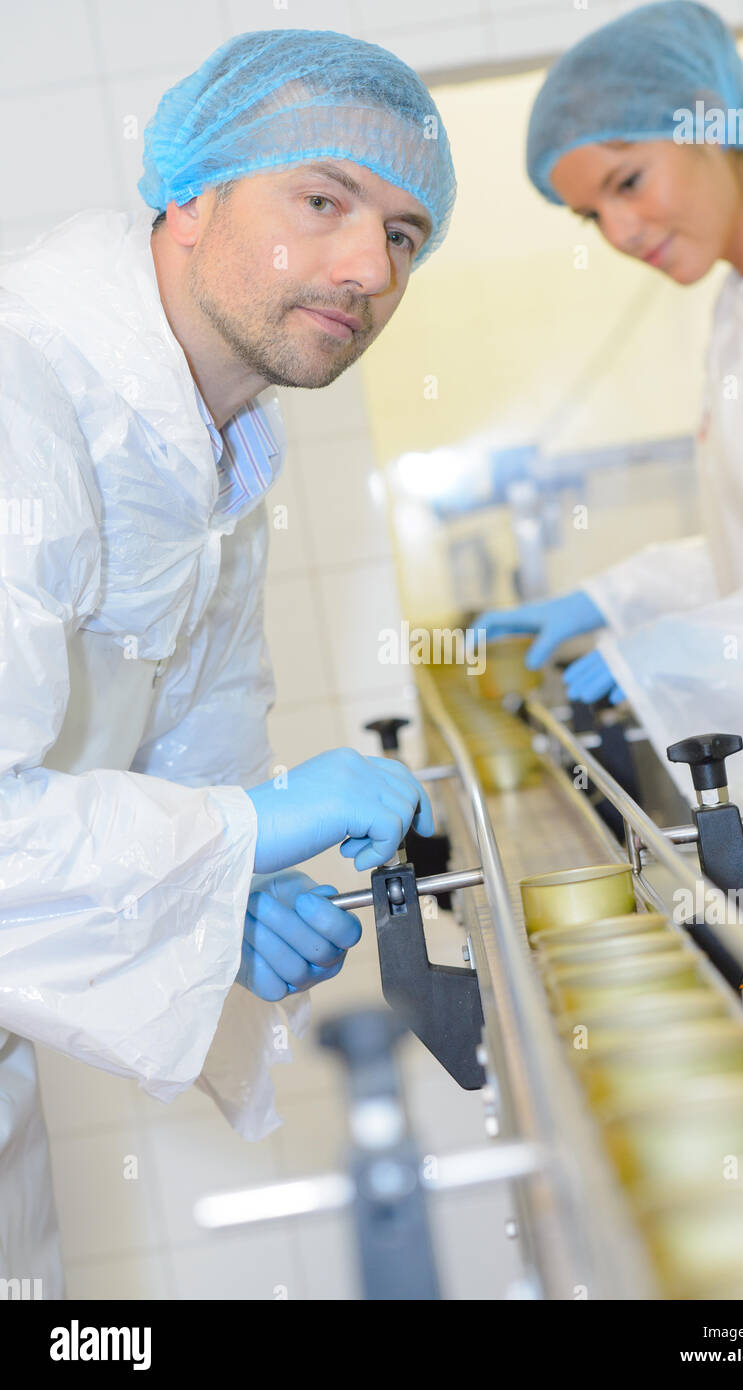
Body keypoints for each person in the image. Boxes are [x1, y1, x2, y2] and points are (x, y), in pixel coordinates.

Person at [0, 29, 455, 1296]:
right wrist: (244, 830)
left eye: (405, 235)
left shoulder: (219, 458)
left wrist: (220, 898)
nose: (367, 266)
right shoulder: (21, 393)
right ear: (189, 192)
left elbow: (183, 753)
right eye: (322, 200)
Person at [475, 2, 743, 1011]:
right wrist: (612, 603)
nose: (620, 231)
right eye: (590, 216)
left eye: (626, 181)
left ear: (712, 122)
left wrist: (684, 654)